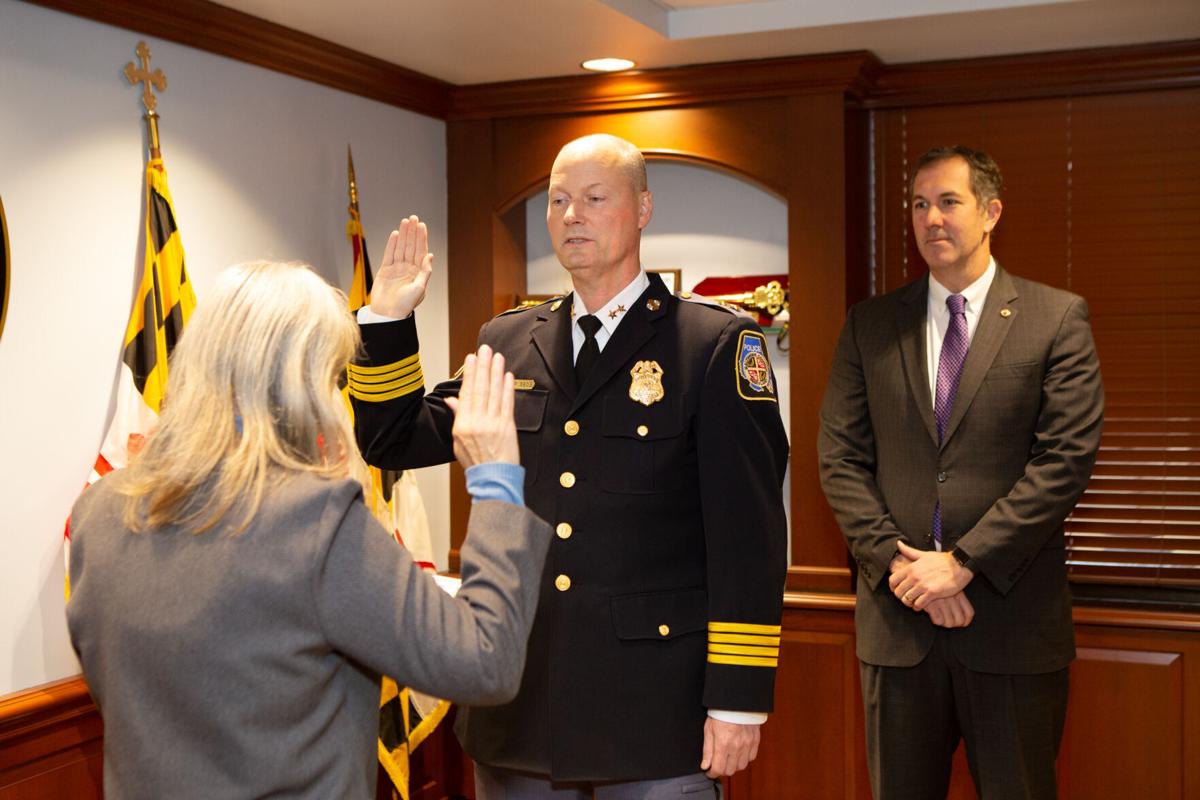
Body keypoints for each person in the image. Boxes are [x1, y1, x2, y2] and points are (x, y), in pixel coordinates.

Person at [350, 134, 789, 798]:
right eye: (558, 201)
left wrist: (738, 699)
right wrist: (387, 318)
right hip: (521, 708)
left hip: (655, 712)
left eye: (594, 198)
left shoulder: (711, 343)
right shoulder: (509, 339)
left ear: (642, 210)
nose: (572, 216)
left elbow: (748, 535)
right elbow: (395, 440)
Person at [66, 260, 552, 800]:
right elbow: (485, 661)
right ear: (304, 383)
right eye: (332, 374)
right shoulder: (313, 520)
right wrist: (494, 480)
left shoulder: (99, 511)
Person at [817, 146, 1104, 799]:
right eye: (919, 204)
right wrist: (905, 568)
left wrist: (964, 562)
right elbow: (839, 457)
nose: (931, 218)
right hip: (898, 625)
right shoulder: (870, 325)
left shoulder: (1055, 318)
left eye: (949, 202)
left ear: (991, 212)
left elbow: (1063, 461)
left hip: (1011, 627)